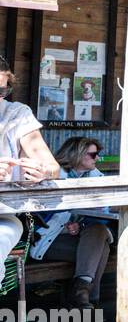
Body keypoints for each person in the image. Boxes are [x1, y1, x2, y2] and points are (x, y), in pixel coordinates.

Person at [34, 137, 113, 307]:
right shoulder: (52, 177)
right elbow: (37, 213)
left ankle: (82, 294)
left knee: (99, 231)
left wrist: (81, 224)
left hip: (79, 238)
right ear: (77, 155)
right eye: (93, 155)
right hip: (49, 238)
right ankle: (88, 301)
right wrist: (66, 217)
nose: (97, 158)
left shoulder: (96, 177)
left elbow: (103, 213)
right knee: (102, 249)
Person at [0, 54, 61, 259]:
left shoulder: (16, 114)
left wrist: (42, 172)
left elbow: (52, 167)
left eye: (2, 90)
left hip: (4, 214)